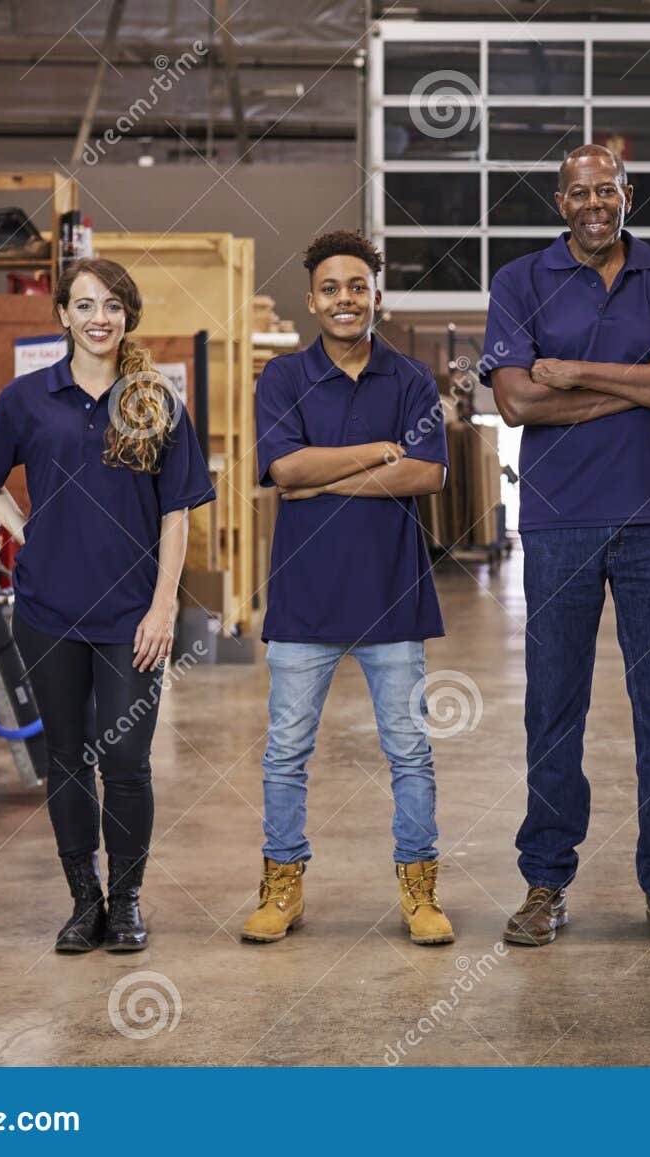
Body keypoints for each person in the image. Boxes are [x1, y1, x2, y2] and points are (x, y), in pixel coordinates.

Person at [480, 144, 650, 946]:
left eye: (607, 190)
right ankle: (545, 881)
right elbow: (515, 404)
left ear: (627, 193)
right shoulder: (519, 282)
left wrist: (577, 371)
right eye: (579, 192)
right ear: (560, 201)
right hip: (558, 518)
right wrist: (639, 378)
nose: (594, 203)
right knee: (553, 705)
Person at [0, 257, 216, 954]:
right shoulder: (27, 398)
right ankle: (85, 900)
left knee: (127, 759)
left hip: (131, 616)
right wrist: (25, 530)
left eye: (111, 305)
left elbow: (177, 513)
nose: (98, 317)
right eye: (84, 305)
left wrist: (164, 606)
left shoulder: (155, 399)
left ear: (127, 315)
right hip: (46, 610)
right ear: (63, 316)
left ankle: (128, 900)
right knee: (68, 759)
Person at [243, 230, 454, 947]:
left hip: (393, 596)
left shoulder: (412, 381)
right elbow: (284, 473)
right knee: (285, 752)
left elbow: (427, 473)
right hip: (303, 600)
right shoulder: (281, 378)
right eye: (331, 288)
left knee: (410, 751)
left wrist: (321, 474)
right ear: (312, 299)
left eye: (357, 286)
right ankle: (281, 887)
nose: (345, 299)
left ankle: (419, 890)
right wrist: (372, 453)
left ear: (375, 294)